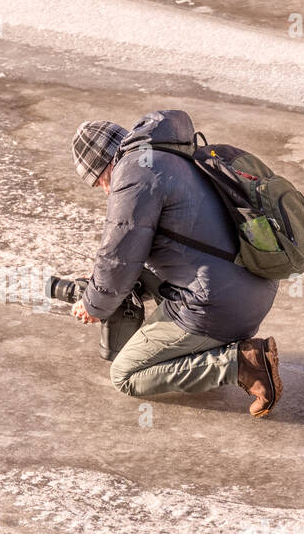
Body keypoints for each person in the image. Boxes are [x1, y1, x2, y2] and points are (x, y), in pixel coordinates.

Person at [69, 110, 283, 416]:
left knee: (125, 375)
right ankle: (209, 349)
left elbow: (118, 258)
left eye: (99, 182)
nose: (105, 190)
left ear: (105, 165)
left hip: (218, 304)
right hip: (255, 285)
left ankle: (240, 364)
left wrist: (93, 304)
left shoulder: (133, 173)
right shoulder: (174, 154)